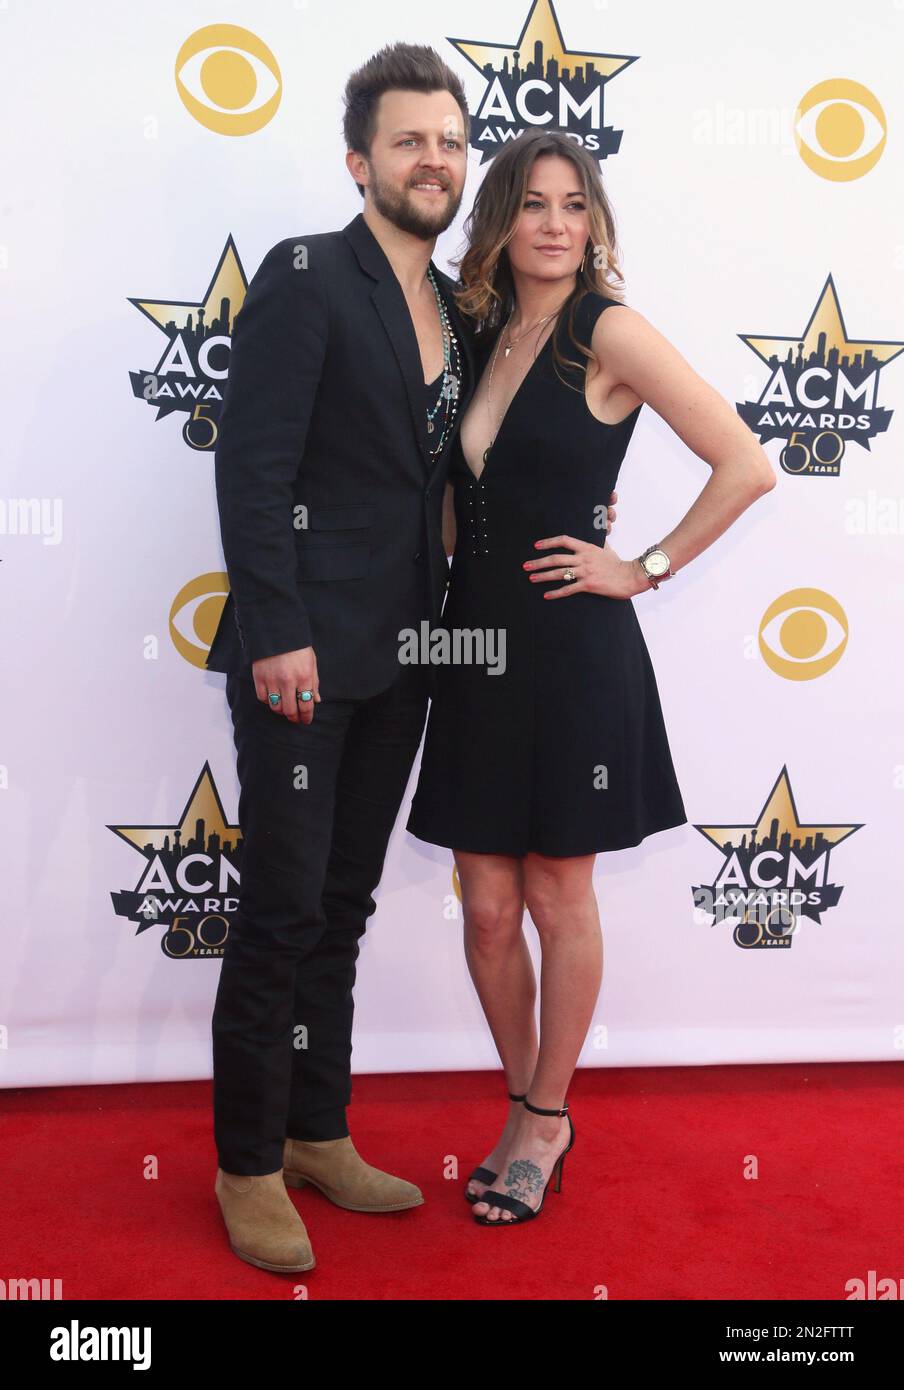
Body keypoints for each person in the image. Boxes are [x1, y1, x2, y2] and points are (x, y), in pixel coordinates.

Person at [205, 44, 619, 1271]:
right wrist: (276, 630)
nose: (432, 158)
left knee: (341, 902)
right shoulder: (306, 277)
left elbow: (473, 468)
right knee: (279, 907)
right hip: (302, 657)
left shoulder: (456, 304)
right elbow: (252, 467)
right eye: (406, 140)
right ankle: (245, 1163)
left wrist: (602, 533)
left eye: (448, 139)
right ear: (359, 159)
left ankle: (318, 1129)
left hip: (405, 658)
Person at [405, 129, 776, 1226]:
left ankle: (542, 1116)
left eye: (576, 204)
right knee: (483, 907)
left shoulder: (606, 331)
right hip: (473, 643)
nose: (557, 223)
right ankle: (533, 1098)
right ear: (501, 221)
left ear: (594, 222)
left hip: (571, 647)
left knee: (557, 893)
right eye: (533, 203)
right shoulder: (476, 331)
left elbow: (746, 461)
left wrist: (642, 566)